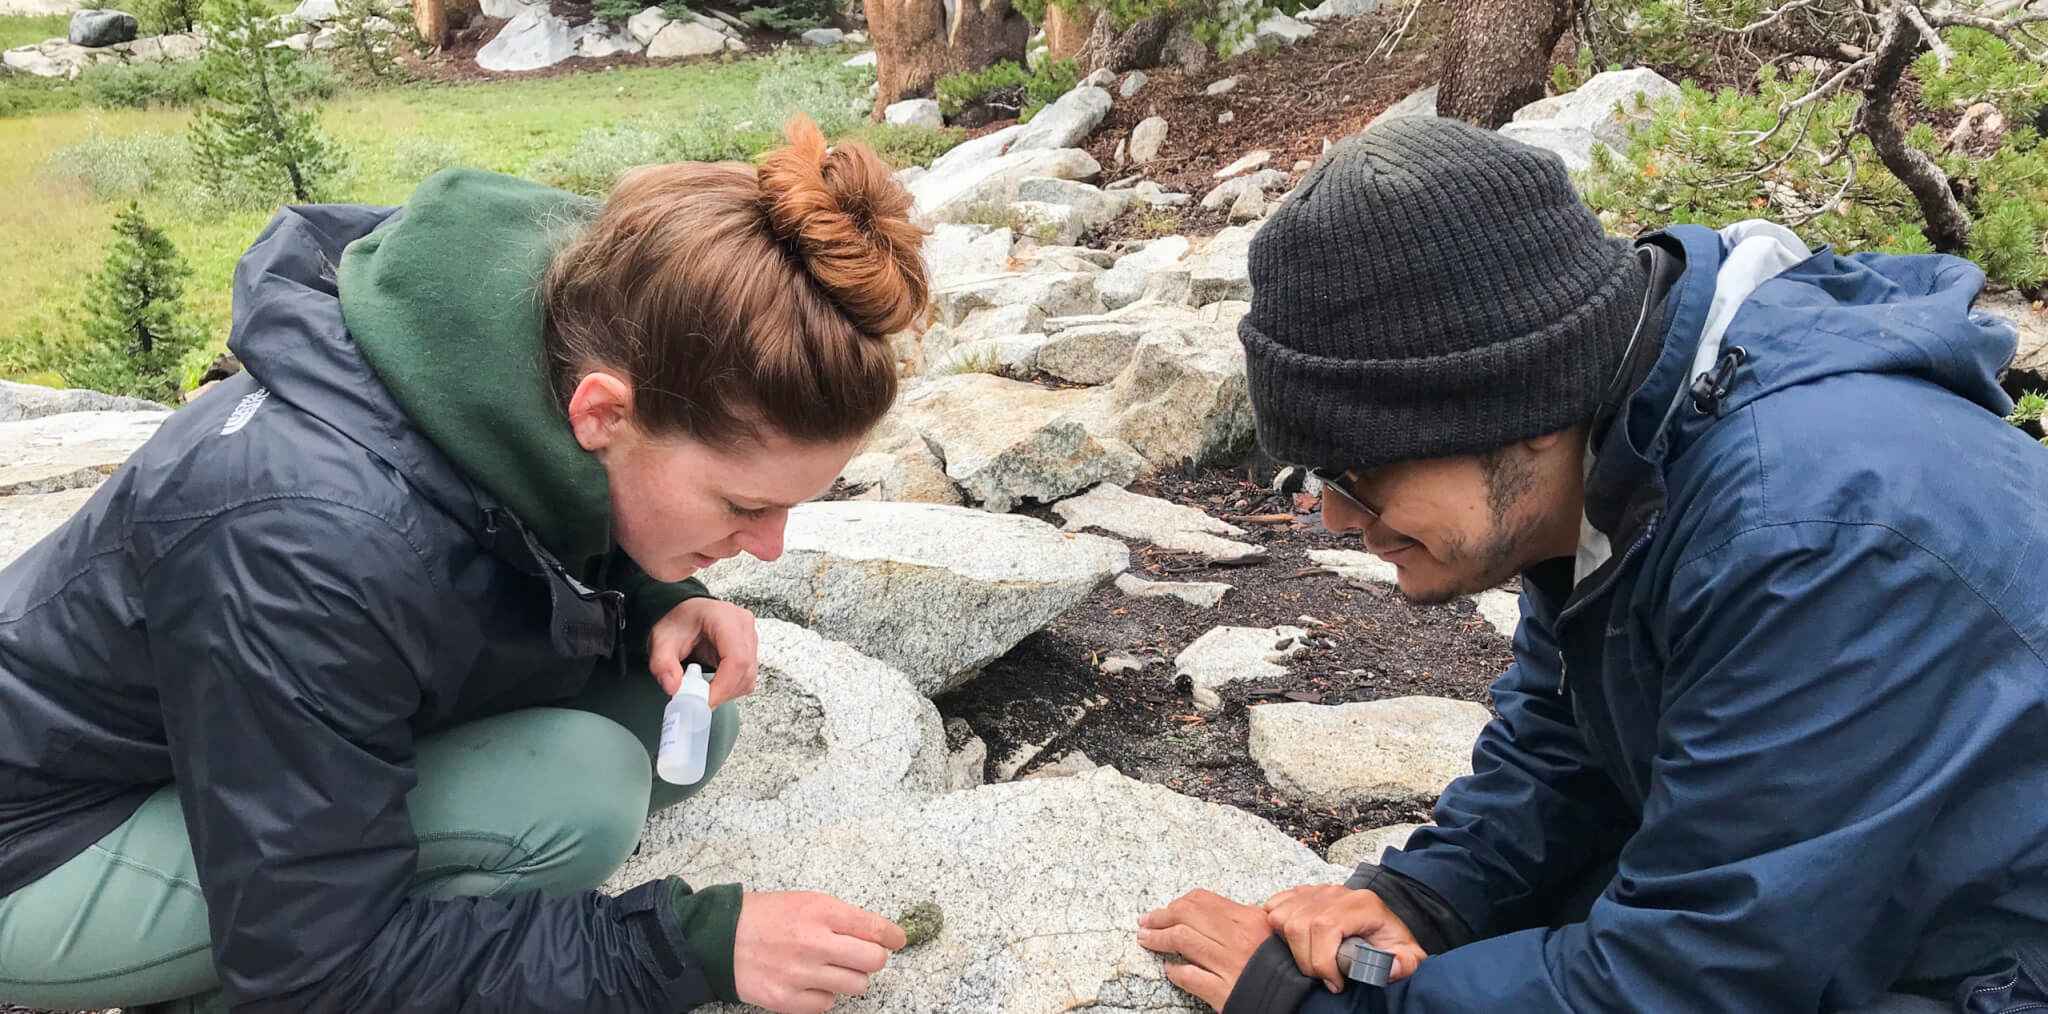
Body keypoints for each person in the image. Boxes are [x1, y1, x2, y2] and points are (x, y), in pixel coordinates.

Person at [0, 116, 922, 1014]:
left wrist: (656, 597)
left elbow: (494, 514)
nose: (769, 548)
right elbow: (314, 964)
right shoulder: (307, 541)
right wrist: (686, 948)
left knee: (679, 717)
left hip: (217, 732)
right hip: (46, 838)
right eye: (744, 505)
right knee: (579, 792)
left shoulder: (561, 325)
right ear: (602, 413)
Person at [1137, 116, 2048, 1013]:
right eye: (1315, 474)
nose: (1334, 516)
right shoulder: (1622, 450)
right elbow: (1565, 739)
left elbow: (1693, 980)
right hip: (1873, 901)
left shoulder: (1808, 538)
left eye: (1361, 469)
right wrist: (1430, 899)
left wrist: (1309, 1006)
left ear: (1525, 401)